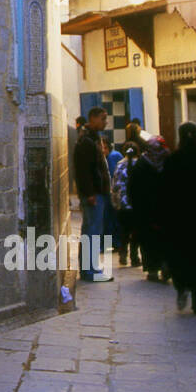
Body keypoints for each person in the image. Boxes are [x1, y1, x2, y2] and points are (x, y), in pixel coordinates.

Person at [158, 123, 196, 314]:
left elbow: (164, 193)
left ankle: (181, 288)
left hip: (178, 221)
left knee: (180, 256)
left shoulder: (173, 161)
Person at [73, 106, 114, 282]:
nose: (105, 122)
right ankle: (89, 271)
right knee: (92, 231)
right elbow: (83, 170)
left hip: (97, 192)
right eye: (103, 119)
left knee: (92, 231)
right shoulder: (87, 141)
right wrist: (90, 193)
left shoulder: (92, 138)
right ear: (94, 118)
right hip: (94, 194)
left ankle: (90, 268)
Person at [128, 136, 170, 282]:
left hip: (144, 211)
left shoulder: (141, 164)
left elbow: (132, 189)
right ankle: (166, 266)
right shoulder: (168, 162)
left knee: (148, 240)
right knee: (165, 239)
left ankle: (152, 269)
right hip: (165, 210)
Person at [110, 145, 141, 268]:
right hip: (136, 203)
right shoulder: (139, 164)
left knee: (124, 230)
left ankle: (123, 254)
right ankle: (134, 257)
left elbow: (115, 185)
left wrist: (115, 201)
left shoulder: (119, 164)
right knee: (136, 231)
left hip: (123, 203)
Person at [102, 135, 123, 252]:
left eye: (105, 148)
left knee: (114, 219)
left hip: (115, 193)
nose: (103, 150)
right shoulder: (102, 158)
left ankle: (117, 243)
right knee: (107, 220)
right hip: (106, 193)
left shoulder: (114, 156)